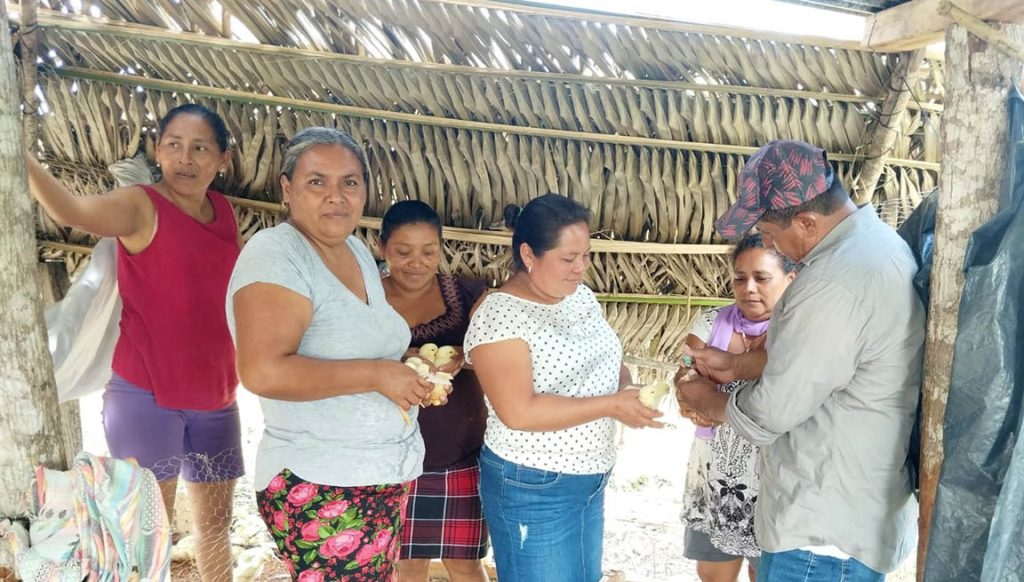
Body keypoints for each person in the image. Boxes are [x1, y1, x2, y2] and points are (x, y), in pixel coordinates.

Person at [675, 140, 924, 581]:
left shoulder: (834, 282)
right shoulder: (873, 246)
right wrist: (735, 366)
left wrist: (707, 400)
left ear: (807, 222)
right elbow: (827, 365)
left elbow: (771, 411)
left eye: (770, 234)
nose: (770, 243)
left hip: (821, 533)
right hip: (846, 514)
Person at [26, 103, 241, 582]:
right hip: (146, 397)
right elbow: (70, 210)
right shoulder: (140, 204)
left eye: (200, 147)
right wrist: (20, 156)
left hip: (217, 398)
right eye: (173, 146)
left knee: (216, 528)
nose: (186, 159)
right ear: (156, 151)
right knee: (147, 535)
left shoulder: (224, 212)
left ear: (222, 158)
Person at [228, 127, 429, 580]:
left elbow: (359, 344)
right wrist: (378, 375)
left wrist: (414, 364)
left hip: (372, 474)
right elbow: (263, 371)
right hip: (319, 481)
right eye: (317, 182)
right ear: (287, 188)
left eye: (350, 182)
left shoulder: (355, 250)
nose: (336, 197)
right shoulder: (277, 256)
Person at [464, 193, 664, 582]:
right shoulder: (501, 316)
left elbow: (609, 359)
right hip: (533, 484)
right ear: (528, 254)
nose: (581, 269)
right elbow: (518, 412)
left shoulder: (579, 298)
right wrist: (610, 406)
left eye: (586, 255)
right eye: (568, 259)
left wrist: (628, 391)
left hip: (589, 477)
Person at [379, 200, 490, 582]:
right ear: (382, 249)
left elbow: (501, 354)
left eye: (429, 251)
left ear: (441, 249)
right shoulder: (365, 302)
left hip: (457, 454)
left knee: (465, 564)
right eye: (402, 252)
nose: (417, 262)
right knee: (406, 565)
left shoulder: (467, 294)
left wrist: (463, 357)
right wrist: (403, 358)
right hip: (389, 458)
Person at [678, 234, 795, 582]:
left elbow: (786, 369)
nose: (748, 288)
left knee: (768, 575)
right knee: (714, 575)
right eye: (740, 278)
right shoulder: (710, 322)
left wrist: (711, 399)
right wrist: (687, 388)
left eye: (761, 278)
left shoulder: (799, 333)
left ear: (791, 278)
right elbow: (685, 374)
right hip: (715, 475)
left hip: (775, 477)